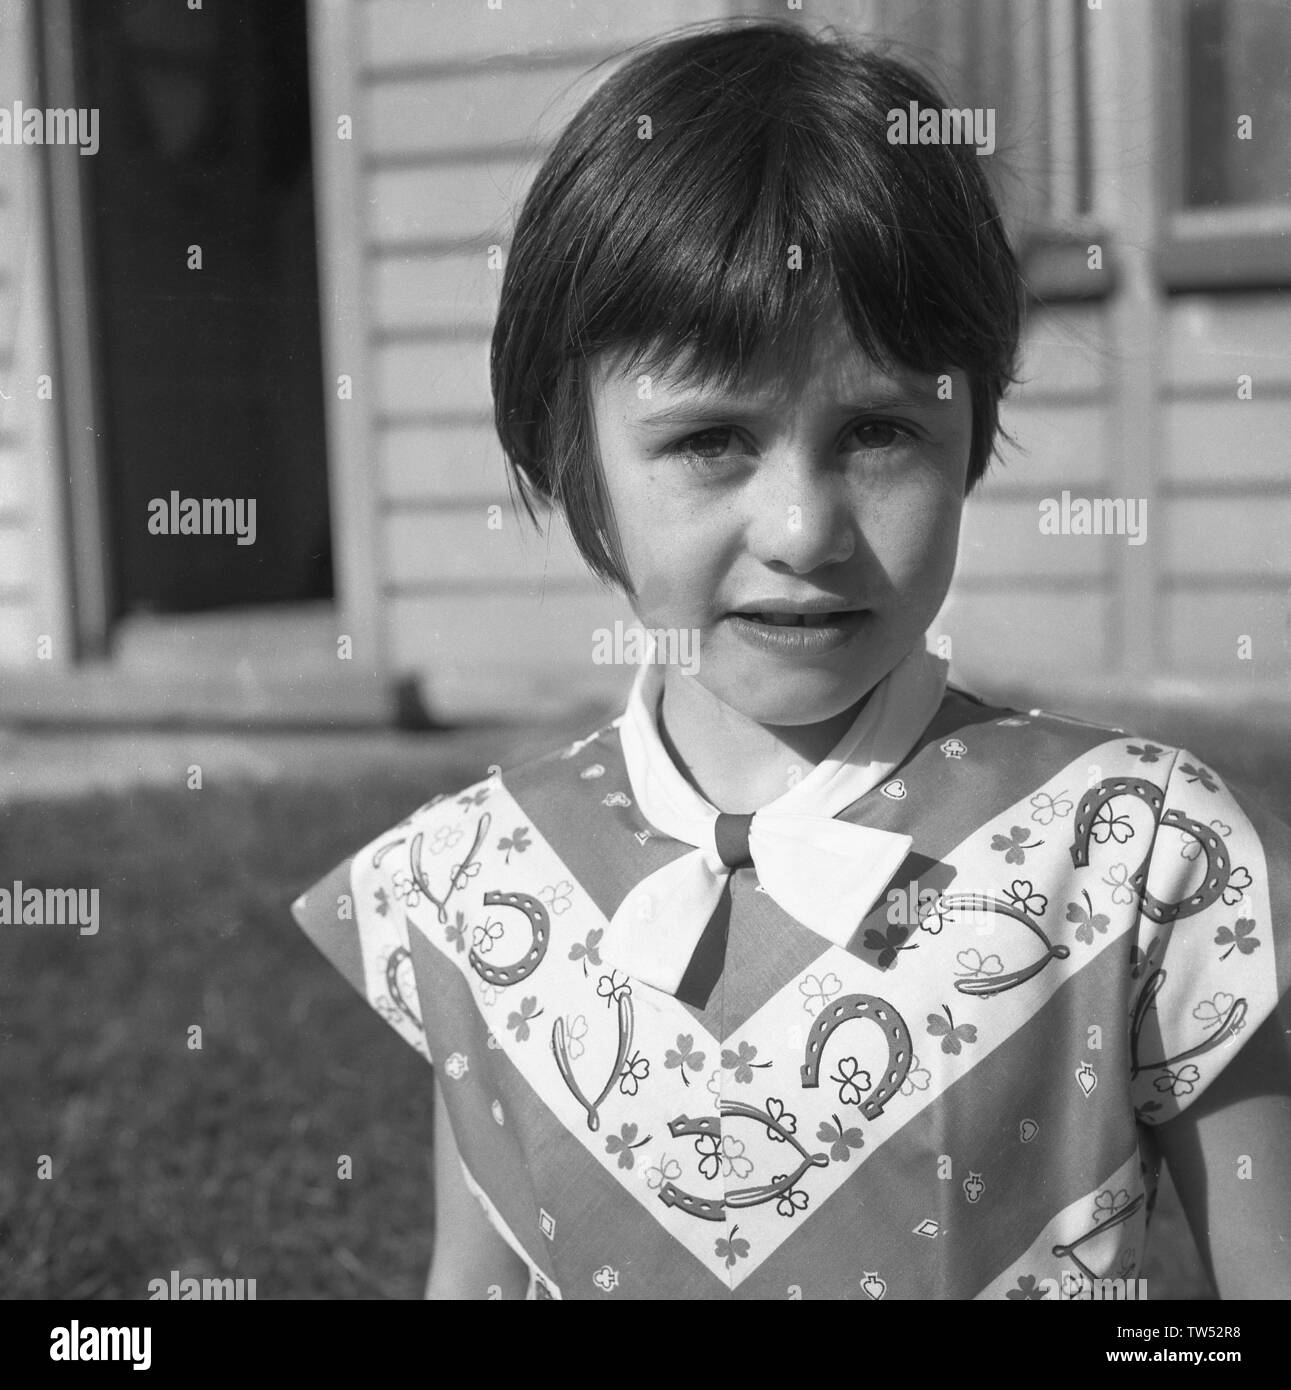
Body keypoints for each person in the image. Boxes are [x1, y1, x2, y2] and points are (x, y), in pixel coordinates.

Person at [292, 20, 1291, 1300]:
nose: (804, 527)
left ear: (973, 426)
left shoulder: (1135, 852)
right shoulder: (481, 888)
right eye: (711, 439)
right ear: (565, 452)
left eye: (876, 429)